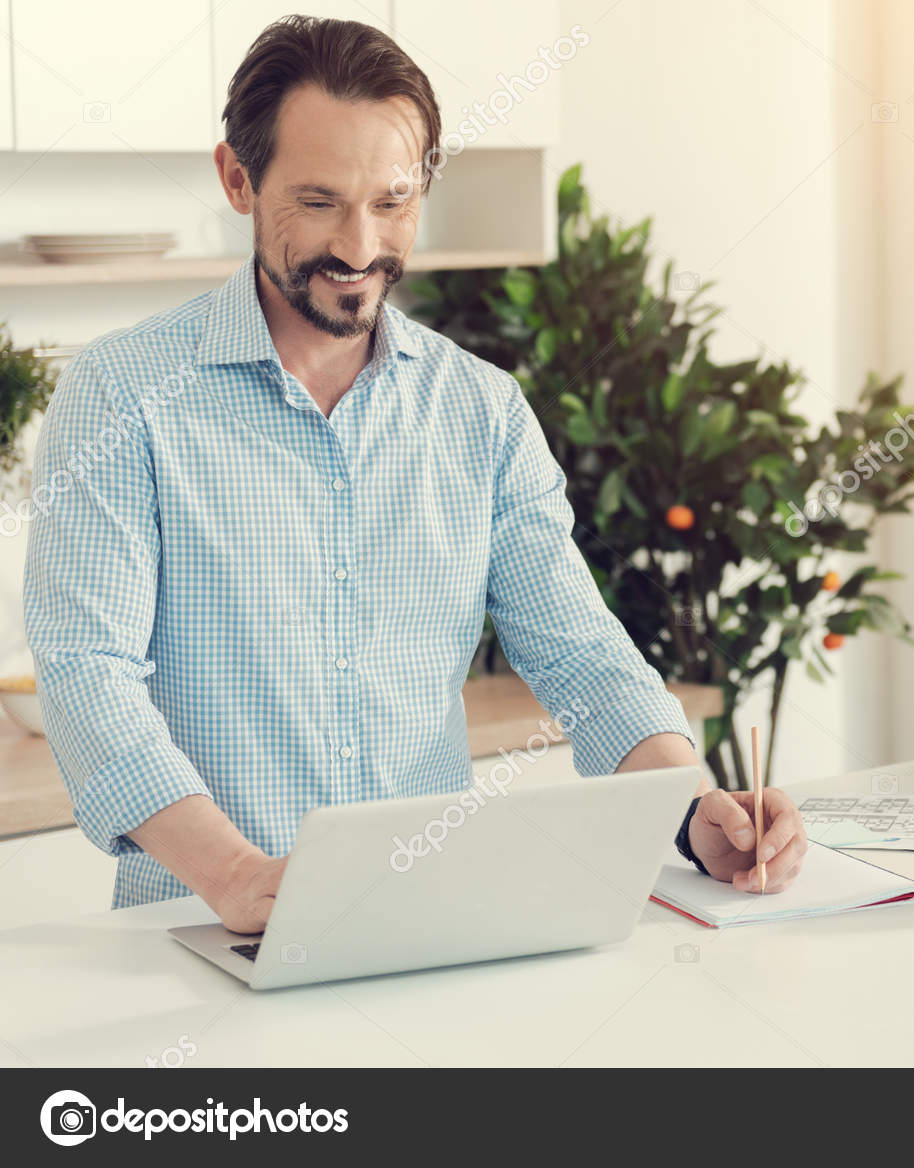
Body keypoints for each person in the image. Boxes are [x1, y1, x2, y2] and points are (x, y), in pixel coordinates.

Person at [22, 15, 805, 933]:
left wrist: (692, 807)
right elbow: (87, 674)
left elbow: (580, 653)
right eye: (318, 202)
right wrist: (233, 875)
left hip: (427, 921)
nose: (360, 247)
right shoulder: (124, 398)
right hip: (205, 929)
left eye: (392, 202)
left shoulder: (481, 411)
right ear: (237, 178)